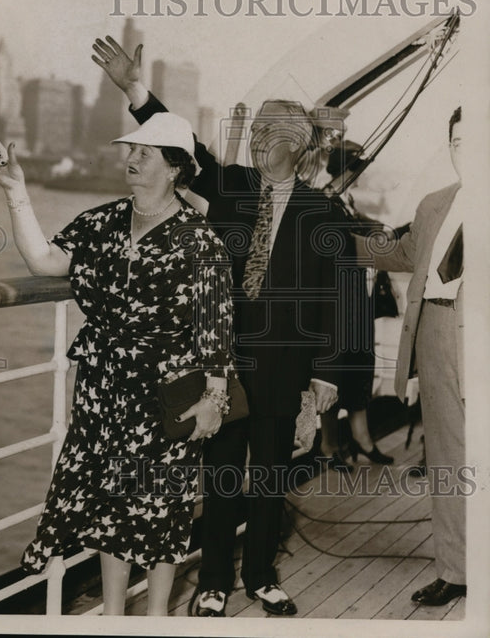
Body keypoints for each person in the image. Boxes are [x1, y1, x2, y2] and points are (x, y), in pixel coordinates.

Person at [91, 36, 347, 617]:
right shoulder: (228, 184)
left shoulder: (321, 211)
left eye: (268, 134)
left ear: (297, 145)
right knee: (223, 472)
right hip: (222, 361)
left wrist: (327, 375)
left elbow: (333, 297)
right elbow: (183, 143)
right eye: (254, 130)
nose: (256, 140)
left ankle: (259, 574)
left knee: (270, 475)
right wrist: (134, 88)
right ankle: (211, 583)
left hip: (284, 363)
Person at [0, 114, 238, 617]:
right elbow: (44, 261)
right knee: (109, 500)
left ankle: (158, 614)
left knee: (162, 502)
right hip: (103, 387)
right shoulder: (102, 221)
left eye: (147, 153)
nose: (132, 158)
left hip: (167, 391)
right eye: (132, 150)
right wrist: (16, 191)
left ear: (176, 168)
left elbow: (216, 327)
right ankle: (115, 617)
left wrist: (214, 400)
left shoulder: (200, 240)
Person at [354, 106, 466, 607]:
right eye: (457, 140)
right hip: (440, 335)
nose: (467, 150)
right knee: (449, 459)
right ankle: (457, 569)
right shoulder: (435, 204)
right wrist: (327, 239)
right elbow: (401, 254)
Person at [317, 141, 394, 471]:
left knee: (361, 366)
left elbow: (364, 225)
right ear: (344, 170)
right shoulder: (324, 201)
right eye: (356, 169)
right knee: (336, 370)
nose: (360, 176)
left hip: (355, 297)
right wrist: (377, 231)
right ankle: (328, 446)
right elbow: (346, 236)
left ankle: (362, 440)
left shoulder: (345, 200)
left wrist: (387, 230)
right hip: (334, 299)